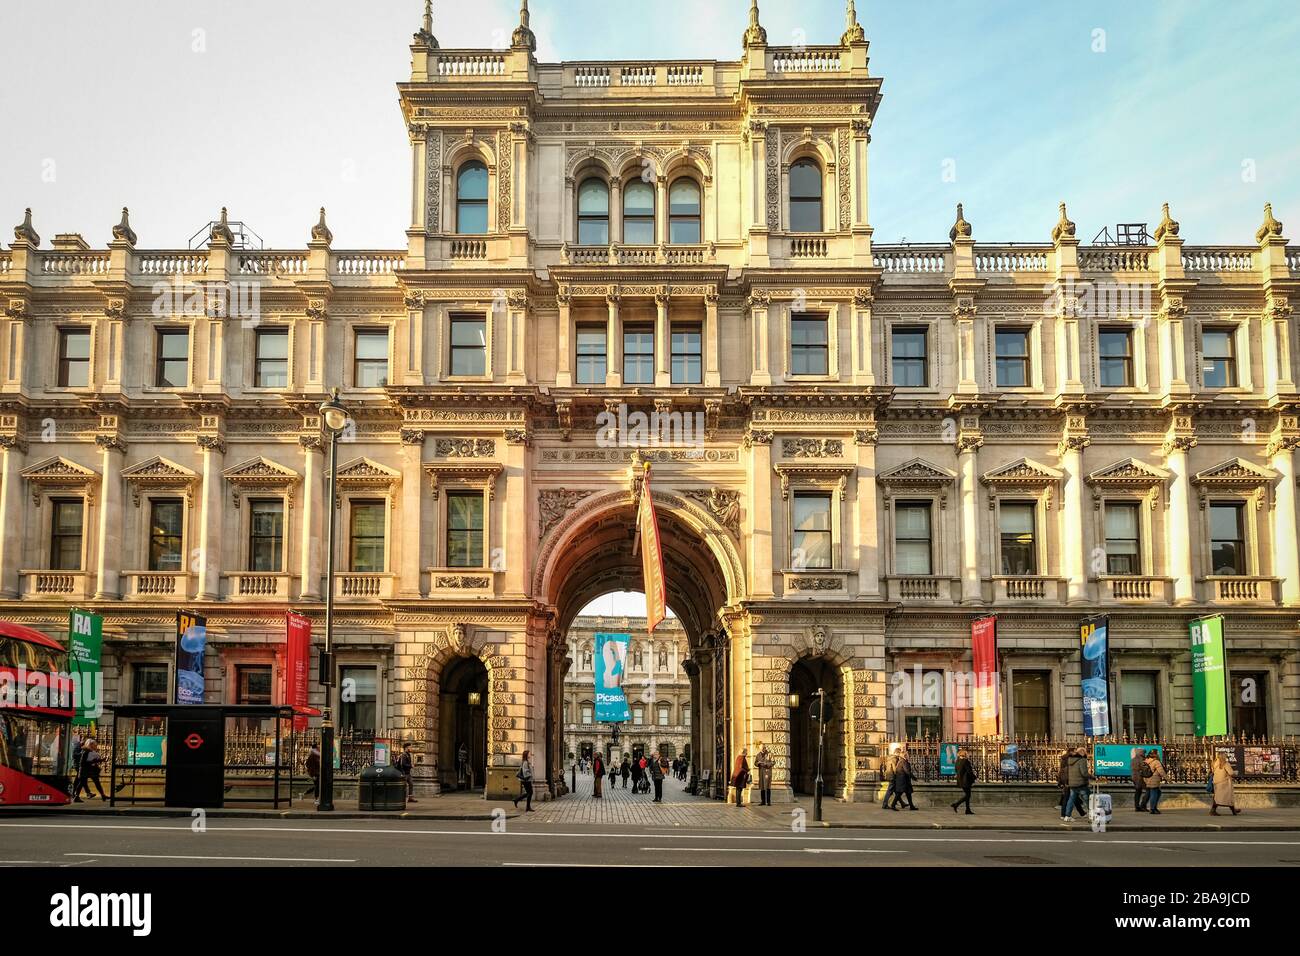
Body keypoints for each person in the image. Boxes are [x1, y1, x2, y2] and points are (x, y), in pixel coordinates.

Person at [1061, 746, 1091, 824]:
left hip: (1072, 783)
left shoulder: (1070, 760)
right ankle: (1092, 814)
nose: (1086, 754)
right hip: (1081, 783)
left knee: (1071, 799)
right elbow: (1084, 773)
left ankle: (1067, 816)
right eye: (1085, 752)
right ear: (1082, 753)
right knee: (1088, 799)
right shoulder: (1082, 760)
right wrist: (1092, 776)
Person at [951, 748, 975, 815]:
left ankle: (967, 810)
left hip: (960, 780)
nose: (968, 754)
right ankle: (956, 804)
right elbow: (969, 771)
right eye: (967, 753)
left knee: (967, 795)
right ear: (964, 754)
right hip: (966, 781)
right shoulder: (965, 761)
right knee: (968, 795)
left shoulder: (957, 761)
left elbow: (956, 770)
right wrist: (974, 778)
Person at [1144, 749, 1166, 814]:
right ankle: (1153, 809)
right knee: (1155, 793)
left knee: (1156, 793)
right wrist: (1168, 779)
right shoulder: (1156, 762)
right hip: (1154, 780)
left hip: (1147, 779)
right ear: (1156, 754)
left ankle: (1153, 808)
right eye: (1158, 753)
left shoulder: (1146, 760)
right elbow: (1161, 771)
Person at [754, 742, 775, 806]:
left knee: (768, 786)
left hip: (767, 772)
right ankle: (763, 801)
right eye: (761, 748)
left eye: (764, 748)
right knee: (762, 786)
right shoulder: (758, 755)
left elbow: (773, 762)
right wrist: (758, 763)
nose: (763, 749)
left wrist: (767, 764)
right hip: (761, 772)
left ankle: (768, 802)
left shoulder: (769, 754)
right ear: (759, 749)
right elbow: (755, 763)